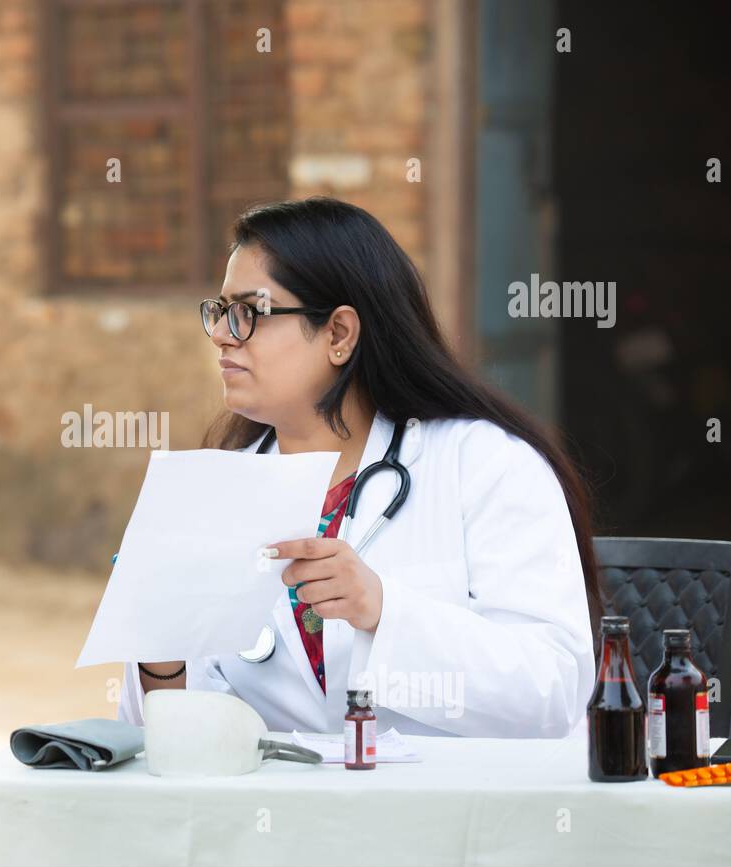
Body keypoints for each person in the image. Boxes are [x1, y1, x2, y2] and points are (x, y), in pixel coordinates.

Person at [118, 197, 600, 739]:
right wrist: (158, 643)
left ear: (340, 335)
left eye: (249, 313)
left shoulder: (485, 465)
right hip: (289, 817)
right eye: (219, 312)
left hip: (459, 810)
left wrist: (382, 610)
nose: (222, 335)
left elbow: (554, 690)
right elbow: (179, 741)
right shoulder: (217, 493)